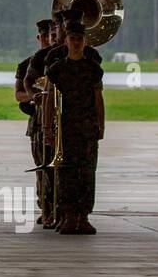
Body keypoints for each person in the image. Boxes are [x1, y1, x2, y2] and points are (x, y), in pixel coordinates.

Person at [45, 20, 105, 234]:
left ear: (85, 41)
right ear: (66, 42)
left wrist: (101, 125)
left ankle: (83, 216)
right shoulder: (57, 69)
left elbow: (99, 99)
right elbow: (50, 100)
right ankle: (68, 215)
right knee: (66, 173)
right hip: (65, 129)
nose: (77, 42)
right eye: (73, 38)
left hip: (87, 129)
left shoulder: (93, 70)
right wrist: (47, 128)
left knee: (88, 173)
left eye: (80, 38)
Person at [16, 19, 54, 226]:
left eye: (53, 34)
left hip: (60, 123)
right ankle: (46, 208)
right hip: (39, 123)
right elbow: (19, 95)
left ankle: (60, 208)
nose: (49, 39)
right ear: (39, 37)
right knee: (43, 169)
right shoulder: (28, 64)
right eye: (45, 36)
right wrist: (36, 96)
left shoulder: (61, 60)